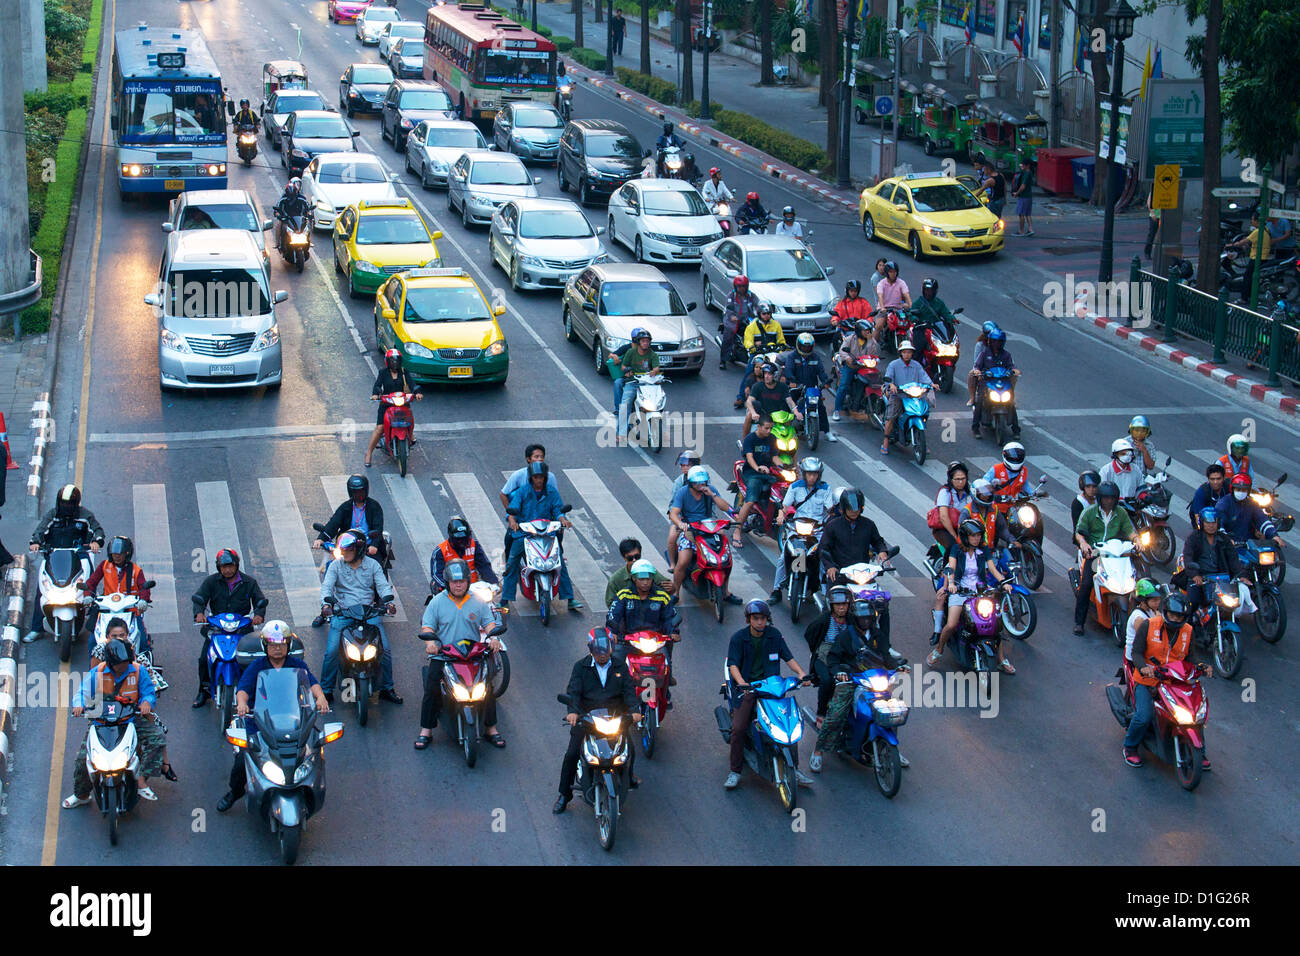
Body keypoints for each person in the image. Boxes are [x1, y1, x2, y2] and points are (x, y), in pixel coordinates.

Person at [216, 621, 330, 812]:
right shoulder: (256, 666)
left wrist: (321, 697)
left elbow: (312, 683)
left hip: (293, 719)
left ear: (288, 646)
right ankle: (234, 792)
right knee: (243, 759)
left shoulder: (297, 664)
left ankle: (311, 787)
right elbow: (243, 689)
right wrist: (243, 704)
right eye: (273, 645)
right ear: (265, 646)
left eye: (282, 644)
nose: (277, 649)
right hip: (259, 721)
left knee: (314, 747)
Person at [62, 636, 169, 809]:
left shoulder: (138, 670)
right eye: (120, 663)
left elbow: (149, 692)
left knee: (157, 738)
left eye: (126, 662)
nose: (124, 666)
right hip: (101, 722)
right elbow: (82, 692)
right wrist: (78, 706)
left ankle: (141, 779)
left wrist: (147, 702)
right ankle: (81, 795)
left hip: (131, 720)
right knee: (83, 759)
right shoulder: (97, 672)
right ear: (111, 662)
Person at [810, 596, 906, 772]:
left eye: (869, 618)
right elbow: (833, 658)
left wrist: (899, 666)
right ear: (856, 619)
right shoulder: (846, 636)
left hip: (876, 680)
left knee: (890, 711)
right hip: (853, 680)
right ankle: (818, 751)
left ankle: (891, 751)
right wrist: (840, 673)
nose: (866, 621)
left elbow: (886, 657)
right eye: (862, 618)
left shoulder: (878, 635)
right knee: (836, 713)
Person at [416, 558, 505, 750]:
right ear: (448, 582)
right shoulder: (437, 602)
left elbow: (489, 623)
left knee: (487, 688)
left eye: (462, 581)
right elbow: (427, 626)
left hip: (472, 654)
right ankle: (426, 730)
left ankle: (491, 728)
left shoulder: (478, 601)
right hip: (445, 655)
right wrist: (430, 643)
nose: (458, 585)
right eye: (454, 581)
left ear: (467, 581)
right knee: (431, 688)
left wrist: (493, 638)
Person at [723, 600, 809, 790]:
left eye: (763, 619)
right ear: (749, 620)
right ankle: (735, 771)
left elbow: (788, 658)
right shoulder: (739, 638)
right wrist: (743, 683)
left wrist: (801, 674)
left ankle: (795, 769)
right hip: (748, 689)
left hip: (772, 688)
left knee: (788, 724)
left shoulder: (774, 635)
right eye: (756, 619)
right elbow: (733, 665)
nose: (760, 622)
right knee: (738, 729)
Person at [554, 629, 641, 813]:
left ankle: (629, 777)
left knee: (630, 749)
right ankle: (564, 795)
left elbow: (629, 691)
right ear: (591, 650)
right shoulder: (580, 667)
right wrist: (573, 712)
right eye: (598, 652)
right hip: (587, 720)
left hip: (615, 718)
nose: (602, 656)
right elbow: (574, 692)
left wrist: (634, 711)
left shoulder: (620, 666)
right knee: (571, 754)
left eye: (605, 652)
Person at [1124, 594, 1212, 770]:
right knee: (1144, 716)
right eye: (1173, 615)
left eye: (1179, 616)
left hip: (1175, 681)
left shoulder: (1188, 631)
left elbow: (1191, 657)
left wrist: (1202, 667)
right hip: (1149, 680)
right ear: (1165, 612)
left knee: (1196, 714)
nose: (1176, 618)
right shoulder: (1149, 625)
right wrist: (1143, 668)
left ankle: (1199, 752)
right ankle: (1130, 746)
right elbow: (1136, 653)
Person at [319, 531, 401, 704]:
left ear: (359, 549)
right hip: (343, 613)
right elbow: (326, 587)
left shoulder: (373, 565)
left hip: (369, 613)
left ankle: (388, 687)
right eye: (343, 550)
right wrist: (326, 606)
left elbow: (383, 586)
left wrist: (389, 604)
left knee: (384, 649)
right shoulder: (335, 565)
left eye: (348, 550)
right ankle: (326, 690)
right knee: (331, 651)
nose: (344, 553)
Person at [927, 519, 1015, 672]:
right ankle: (939, 650)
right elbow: (952, 567)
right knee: (952, 624)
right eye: (973, 535)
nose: (977, 538)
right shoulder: (956, 550)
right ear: (965, 536)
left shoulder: (984, 551)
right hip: (961, 591)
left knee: (996, 625)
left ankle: (1001, 660)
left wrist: (1003, 582)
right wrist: (952, 584)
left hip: (980, 591)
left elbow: (993, 569)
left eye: (979, 535)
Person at [498, 445, 580, 608]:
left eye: (541, 477)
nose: (539, 480)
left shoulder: (551, 492)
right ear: (531, 478)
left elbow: (558, 509)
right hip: (525, 534)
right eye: (536, 477)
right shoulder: (522, 492)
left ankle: (569, 598)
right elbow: (511, 509)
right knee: (513, 561)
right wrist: (512, 521)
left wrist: (562, 519)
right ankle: (505, 599)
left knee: (559, 561)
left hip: (546, 532)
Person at [24, 484, 105, 643]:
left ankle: (97, 625)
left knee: (90, 587)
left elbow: (98, 531)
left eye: (69, 503)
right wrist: (35, 542)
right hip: (54, 556)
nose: (66, 506)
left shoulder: (85, 516)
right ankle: (36, 628)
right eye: (63, 503)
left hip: (79, 555)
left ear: (76, 503)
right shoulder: (52, 515)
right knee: (42, 590)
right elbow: (40, 531)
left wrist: (96, 542)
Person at [190, 548, 268, 708]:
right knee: (205, 658)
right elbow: (199, 599)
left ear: (236, 565)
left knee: (251, 659)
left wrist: (259, 615)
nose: (227, 570)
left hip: (242, 628)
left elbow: (260, 600)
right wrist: (199, 613)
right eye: (224, 567)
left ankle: (251, 690)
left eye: (230, 566)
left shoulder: (249, 582)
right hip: (217, 628)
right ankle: (203, 690)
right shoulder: (211, 582)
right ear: (219, 567)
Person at [312, 474, 386, 627]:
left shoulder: (374, 506)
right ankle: (326, 608)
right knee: (330, 570)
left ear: (366, 491)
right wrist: (321, 539)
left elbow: (378, 528)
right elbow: (333, 524)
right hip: (347, 546)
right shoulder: (346, 507)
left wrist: (375, 545)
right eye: (355, 492)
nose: (358, 495)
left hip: (367, 546)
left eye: (361, 491)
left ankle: (380, 602)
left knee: (378, 567)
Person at [1072, 481, 1139, 635]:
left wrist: (1137, 540)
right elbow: (1079, 533)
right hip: (1095, 554)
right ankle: (1079, 622)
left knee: (1137, 579)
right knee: (1086, 584)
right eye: (1105, 498)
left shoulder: (1121, 513)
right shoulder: (1089, 512)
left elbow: (1130, 531)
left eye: (1111, 498)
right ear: (1100, 498)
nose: (1108, 501)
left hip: (1117, 552)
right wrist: (1083, 543)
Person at [668, 465, 742, 601]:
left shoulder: (711, 490)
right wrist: (680, 523)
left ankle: (725, 591)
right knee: (683, 561)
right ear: (691, 483)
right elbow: (673, 513)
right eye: (697, 483)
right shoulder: (683, 492)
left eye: (703, 482)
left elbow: (725, 507)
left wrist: (712, 495)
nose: (701, 485)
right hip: (690, 529)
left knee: (726, 559)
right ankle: (676, 592)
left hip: (708, 527)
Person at [770, 456, 834, 603]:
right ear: (804, 474)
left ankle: (826, 595)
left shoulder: (825, 489)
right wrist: (781, 516)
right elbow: (784, 506)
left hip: (817, 531)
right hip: (798, 529)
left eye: (815, 474)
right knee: (783, 558)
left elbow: (830, 510)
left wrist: (831, 520)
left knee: (824, 559)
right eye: (809, 474)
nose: (812, 477)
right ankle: (776, 590)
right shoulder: (795, 487)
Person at [606, 559, 681, 681]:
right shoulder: (623, 595)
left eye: (648, 579)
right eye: (641, 579)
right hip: (627, 641)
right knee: (615, 667)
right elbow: (613, 615)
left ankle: (665, 696)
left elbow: (670, 617)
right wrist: (612, 631)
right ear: (634, 579)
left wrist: (674, 631)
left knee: (666, 667)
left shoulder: (662, 596)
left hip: (655, 642)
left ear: (652, 579)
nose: (645, 583)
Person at [81, 535, 152, 652]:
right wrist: (87, 596)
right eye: (114, 554)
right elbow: (91, 583)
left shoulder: (136, 570)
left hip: (130, 611)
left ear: (127, 554)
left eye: (120, 554)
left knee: (143, 643)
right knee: (93, 643)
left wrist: (143, 600)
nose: (117, 557)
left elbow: (144, 588)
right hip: (106, 611)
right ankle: (93, 670)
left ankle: (147, 668)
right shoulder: (104, 566)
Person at [1172, 508, 1244, 622]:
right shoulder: (1194, 538)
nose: (1211, 525)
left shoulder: (1223, 539)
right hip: (1200, 578)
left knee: (1233, 604)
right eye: (1207, 522)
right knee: (1192, 603)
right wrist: (1195, 575)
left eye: (1213, 522)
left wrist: (1241, 575)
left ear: (1218, 523)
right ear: (1202, 523)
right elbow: (1188, 557)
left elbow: (1233, 558)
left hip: (1220, 579)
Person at [803, 584, 854, 725]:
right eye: (838, 605)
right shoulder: (823, 620)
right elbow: (809, 635)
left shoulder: (852, 620)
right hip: (824, 656)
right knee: (827, 680)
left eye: (844, 604)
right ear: (832, 606)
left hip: (844, 655)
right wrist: (818, 650)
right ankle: (821, 713)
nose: (841, 608)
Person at [365, 349, 423, 467]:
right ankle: (369, 453)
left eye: (397, 361)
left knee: (410, 420)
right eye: (392, 361)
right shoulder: (383, 373)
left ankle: (410, 435)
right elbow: (377, 386)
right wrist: (376, 394)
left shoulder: (404, 372)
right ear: (388, 362)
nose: (395, 363)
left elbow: (412, 384)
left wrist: (417, 392)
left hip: (402, 403)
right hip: (386, 404)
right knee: (380, 428)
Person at [880, 340, 934, 455]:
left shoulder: (916, 365)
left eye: (909, 352)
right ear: (901, 353)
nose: (907, 354)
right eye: (905, 352)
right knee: (891, 417)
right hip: (898, 395)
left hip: (913, 395)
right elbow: (888, 378)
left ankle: (922, 440)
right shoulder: (893, 365)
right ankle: (885, 441)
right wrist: (892, 384)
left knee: (924, 412)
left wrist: (931, 384)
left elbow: (924, 377)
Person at [782, 332, 837, 442]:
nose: (806, 349)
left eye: (808, 347)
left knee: (820, 407)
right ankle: (785, 429)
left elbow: (821, 372)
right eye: (804, 346)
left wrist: (826, 381)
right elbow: (788, 371)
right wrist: (792, 381)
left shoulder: (815, 357)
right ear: (798, 345)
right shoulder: (792, 357)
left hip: (812, 388)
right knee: (788, 405)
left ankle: (827, 431)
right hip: (797, 387)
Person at [609, 327, 660, 442]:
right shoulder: (630, 352)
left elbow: (657, 366)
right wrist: (627, 370)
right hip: (632, 382)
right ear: (638, 342)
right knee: (625, 404)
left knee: (658, 401)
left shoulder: (652, 354)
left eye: (647, 341)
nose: (645, 343)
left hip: (648, 383)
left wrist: (654, 371)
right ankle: (621, 433)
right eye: (643, 341)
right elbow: (622, 366)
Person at [733, 302, 786, 408]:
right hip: (758, 354)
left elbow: (781, 341)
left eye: (768, 313)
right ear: (759, 314)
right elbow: (747, 341)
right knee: (749, 371)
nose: (767, 316)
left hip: (773, 353)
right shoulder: (752, 326)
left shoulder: (776, 325)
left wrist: (782, 350)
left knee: (784, 371)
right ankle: (741, 397)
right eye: (764, 314)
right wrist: (752, 347)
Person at [734, 415, 777, 549]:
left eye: (771, 428)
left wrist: (785, 467)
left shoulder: (772, 438)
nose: (769, 431)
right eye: (766, 428)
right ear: (759, 427)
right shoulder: (750, 439)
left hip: (769, 472)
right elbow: (749, 457)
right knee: (750, 500)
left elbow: (775, 457)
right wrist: (758, 468)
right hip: (752, 474)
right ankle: (737, 531)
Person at [971, 327, 1020, 438]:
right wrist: (978, 372)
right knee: (979, 402)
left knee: (1011, 403)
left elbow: (1012, 366)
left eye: (999, 342)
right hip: (987, 383)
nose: (997, 344)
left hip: (1003, 383)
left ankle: (1016, 430)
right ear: (990, 341)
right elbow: (977, 366)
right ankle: (975, 428)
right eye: (995, 341)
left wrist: (1015, 371)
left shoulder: (1006, 355)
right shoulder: (984, 354)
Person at [832, 317, 881, 422]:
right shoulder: (850, 339)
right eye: (865, 331)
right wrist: (848, 358)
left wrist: (870, 340)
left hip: (865, 367)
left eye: (869, 331)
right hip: (851, 366)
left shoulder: (871, 340)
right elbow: (842, 351)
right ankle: (837, 410)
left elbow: (875, 352)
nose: (867, 333)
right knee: (844, 385)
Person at [1215, 474, 1281, 548]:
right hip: (1227, 547)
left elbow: (1262, 519)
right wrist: (1226, 539)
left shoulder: (1252, 504)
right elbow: (1218, 524)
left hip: (1248, 545)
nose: (1241, 492)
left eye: (1243, 490)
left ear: (1248, 491)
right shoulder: (1224, 503)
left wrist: (1274, 535)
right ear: (1233, 489)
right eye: (1238, 489)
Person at [981, 441, 1042, 517]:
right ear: (1004, 456)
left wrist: (1033, 494)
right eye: (1012, 458)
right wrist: (991, 494)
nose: (1015, 460)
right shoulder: (996, 469)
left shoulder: (1024, 471)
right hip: (997, 508)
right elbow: (983, 484)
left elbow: (1026, 486)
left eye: (1018, 458)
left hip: (1015, 508)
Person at [607, 538, 671, 607]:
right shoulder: (615, 580)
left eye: (637, 557)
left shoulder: (649, 570)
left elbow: (667, 587)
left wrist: (671, 588)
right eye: (630, 558)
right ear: (624, 558)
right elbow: (611, 603)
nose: (634, 560)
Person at [743, 363, 800, 439]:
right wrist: (753, 413)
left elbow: (789, 401)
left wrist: (796, 411)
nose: (766, 376)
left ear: (775, 375)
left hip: (778, 416)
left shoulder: (783, 387)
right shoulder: (757, 386)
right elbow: (749, 401)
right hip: (762, 415)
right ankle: (745, 442)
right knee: (749, 415)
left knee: (791, 431)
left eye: (769, 374)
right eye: (765, 373)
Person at [664, 452, 702, 568]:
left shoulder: (703, 479)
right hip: (682, 517)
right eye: (682, 465)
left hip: (700, 517)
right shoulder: (679, 482)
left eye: (688, 465)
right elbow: (672, 505)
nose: (684, 468)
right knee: (672, 538)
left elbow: (713, 501)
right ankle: (672, 564)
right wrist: (679, 519)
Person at [1225, 213, 1271, 300]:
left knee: (1247, 278)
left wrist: (1232, 245)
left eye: (1252, 220)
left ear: (1257, 221)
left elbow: (1244, 241)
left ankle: (1244, 298)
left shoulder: (1258, 232)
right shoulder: (1266, 229)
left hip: (1256, 259)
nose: (1251, 222)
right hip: (1263, 258)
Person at [720, 274, 761, 370]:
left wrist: (761, 312)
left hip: (747, 320)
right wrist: (732, 316)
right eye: (740, 286)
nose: (742, 289)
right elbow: (728, 308)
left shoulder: (751, 296)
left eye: (744, 286)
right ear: (736, 287)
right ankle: (723, 360)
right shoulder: (731, 296)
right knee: (728, 338)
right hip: (733, 322)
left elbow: (758, 305)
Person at [931, 460, 972, 553]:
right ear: (951, 479)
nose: (961, 482)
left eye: (963, 478)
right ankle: (948, 567)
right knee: (953, 546)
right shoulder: (945, 492)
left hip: (961, 527)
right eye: (957, 479)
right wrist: (954, 535)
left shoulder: (968, 492)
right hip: (944, 529)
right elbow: (943, 517)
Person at [910, 276, 958, 347]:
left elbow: (946, 313)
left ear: (935, 291)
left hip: (937, 329)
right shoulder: (918, 303)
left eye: (930, 290)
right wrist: (915, 319)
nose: (928, 293)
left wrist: (952, 319)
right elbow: (911, 314)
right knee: (918, 349)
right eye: (926, 290)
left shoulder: (939, 303)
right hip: (922, 329)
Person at [1125, 578, 1162, 662]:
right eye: (1154, 600)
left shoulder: (1152, 610)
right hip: (1135, 658)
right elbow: (1146, 639)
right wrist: (1158, 620)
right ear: (1143, 601)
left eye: (1159, 599)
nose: (1158, 603)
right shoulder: (1139, 618)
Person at [965, 320, 999, 408]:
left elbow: (1007, 358)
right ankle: (972, 398)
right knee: (971, 375)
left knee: (1013, 377)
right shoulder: (980, 345)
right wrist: (978, 372)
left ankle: (1011, 398)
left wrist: (1012, 370)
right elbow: (976, 362)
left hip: (998, 371)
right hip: (984, 371)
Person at [272, 178, 313, 251]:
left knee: (307, 225)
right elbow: (277, 208)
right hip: (287, 218)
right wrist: (278, 214)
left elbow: (307, 207)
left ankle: (309, 241)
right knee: (279, 225)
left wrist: (309, 213)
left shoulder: (301, 198)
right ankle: (277, 243)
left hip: (299, 218)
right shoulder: (283, 199)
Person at [1187, 463, 1227, 528]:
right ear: (1208, 479)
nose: (1215, 482)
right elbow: (1197, 517)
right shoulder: (1201, 492)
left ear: (1224, 478)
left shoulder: (1228, 487)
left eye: (1218, 479)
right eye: (1212, 479)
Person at [1011, 158, 1034, 236]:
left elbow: (1023, 186)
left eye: (1023, 165)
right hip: (1029, 196)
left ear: (1028, 166)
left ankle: (1021, 231)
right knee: (1027, 214)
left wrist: (1017, 193)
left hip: (1024, 196)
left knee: (1021, 214)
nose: (1022, 166)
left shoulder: (1026, 174)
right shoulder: (1029, 172)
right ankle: (1030, 229)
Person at [1142, 189, 1161, 259]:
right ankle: (1147, 252)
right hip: (1155, 216)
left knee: (1161, 236)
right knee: (1152, 235)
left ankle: (1159, 254)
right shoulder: (1154, 190)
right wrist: (1152, 213)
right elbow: (1149, 202)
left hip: (1163, 216)